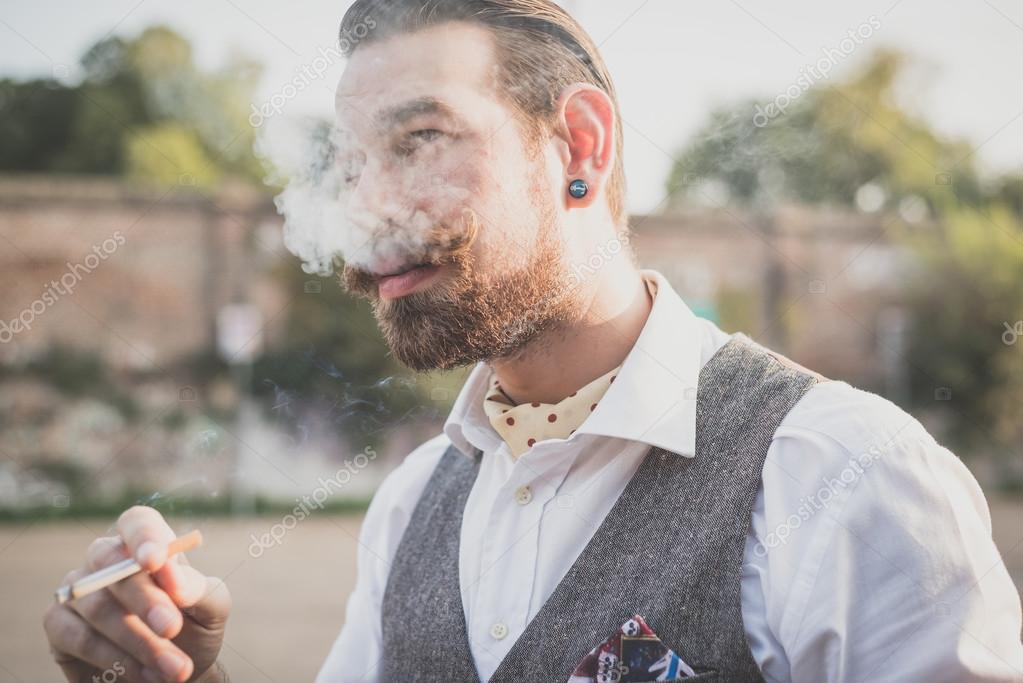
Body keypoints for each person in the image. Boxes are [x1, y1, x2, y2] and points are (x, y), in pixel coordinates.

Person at [44, 1, 1023, 681]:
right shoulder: (411, 504)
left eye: (421, 139)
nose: (369, 206)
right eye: (350, 165)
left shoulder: (847, 473)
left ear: (581, 146)